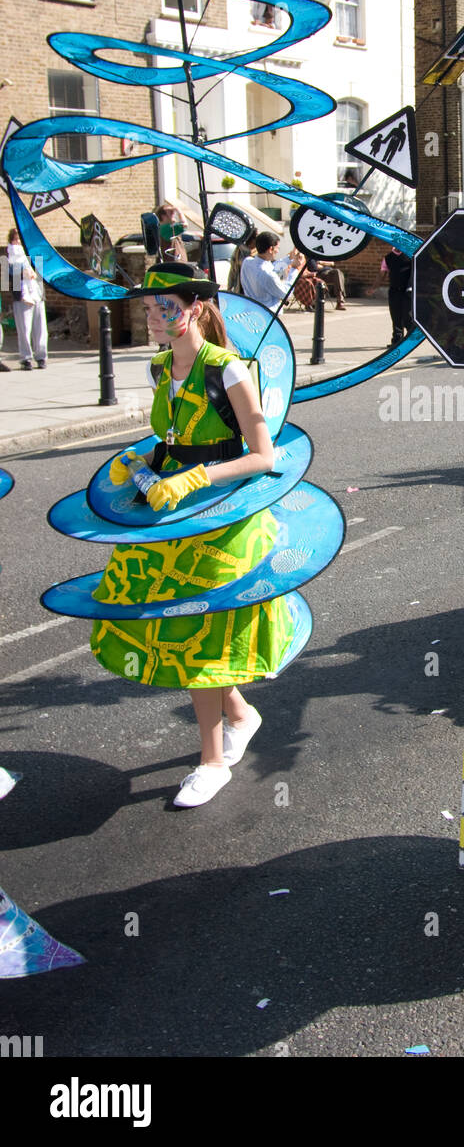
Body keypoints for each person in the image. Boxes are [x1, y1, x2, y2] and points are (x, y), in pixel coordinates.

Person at [94, 263, 295, 807]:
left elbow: (263, 455)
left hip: (220, 520)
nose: (156, 318)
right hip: (170, 518)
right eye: (150, 309)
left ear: (197, 308)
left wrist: (197, 476)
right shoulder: (161, 368)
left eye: (167, 308)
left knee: (199, 636)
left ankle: (211, 762)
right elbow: (172, 435)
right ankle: (240, 713)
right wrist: (142, 457)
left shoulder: (227, 370)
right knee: (178, 627)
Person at [6, 228, 47, 369]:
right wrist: (20, 273)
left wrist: (35, 273)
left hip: (37, 294)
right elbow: (6, 282)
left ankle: (41, 357)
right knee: (24, 330)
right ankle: (26, 359)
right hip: (21, 298)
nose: (18, 242)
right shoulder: (8, 257)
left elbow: (42, 274)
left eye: (20, 239)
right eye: (16, 239)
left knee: (40, 329)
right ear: (11, 241)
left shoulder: (34, 254)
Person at [240, 232, 292, 312]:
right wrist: (294, 270)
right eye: (277, 248)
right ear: (271, 249)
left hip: (251, 311)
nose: (278, 251)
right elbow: (286, 293)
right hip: (268, 315)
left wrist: (289, 258)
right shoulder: (267, 274)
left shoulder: (247, 262)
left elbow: (272, 267)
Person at [384, 245, 413, 345]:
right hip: (394, 290)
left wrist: (411, 287)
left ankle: (411, 338)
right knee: (395, 315)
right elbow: (382, 273)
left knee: (407, 316)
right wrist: (373, 288)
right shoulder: (388, 257)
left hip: (407, 291)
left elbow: (415, 273)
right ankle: (397, 339)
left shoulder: (411, 257)